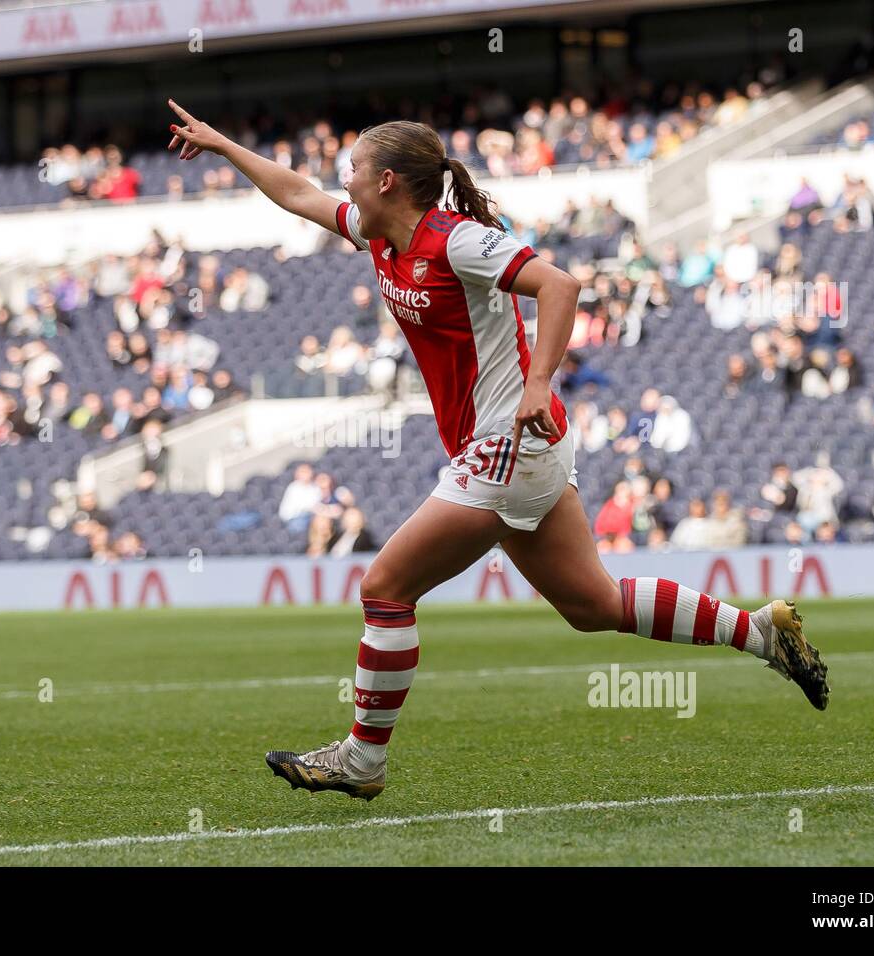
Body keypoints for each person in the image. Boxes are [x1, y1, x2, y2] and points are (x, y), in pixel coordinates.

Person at [165, 100, 829, 802]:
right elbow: (297, 193)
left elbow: (560, 284)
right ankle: (761, 635)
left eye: (354, 166)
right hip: (514, 449)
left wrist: (538, 381)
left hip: (506, 444)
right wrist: (222, 142)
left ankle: (363, 761)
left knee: (385, 590)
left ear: (388, 180)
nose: (343, 176)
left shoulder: (455, 241)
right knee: (593, 605)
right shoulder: (376, 230)